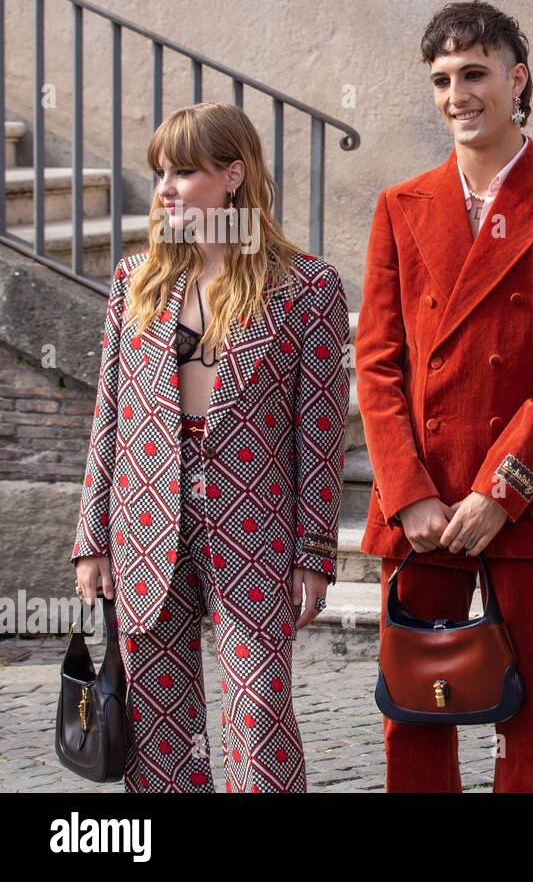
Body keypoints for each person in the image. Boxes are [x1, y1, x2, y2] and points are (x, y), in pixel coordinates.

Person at [355, 0, 533, 793]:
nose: (456, 95)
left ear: (517, 79)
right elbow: (377, 362)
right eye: (441, 79)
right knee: (414, 714)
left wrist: (504, 491)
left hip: (526, 496)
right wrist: (407, 493)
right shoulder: (401, 205)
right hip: (423, 504)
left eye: (474, 74)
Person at [69, 101, 350, 792]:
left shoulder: (307, 287)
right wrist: (91, 540)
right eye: (160, 172)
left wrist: (314, 552)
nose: (166, 188)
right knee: (157, 726)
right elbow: (110, 416)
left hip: (254, 528)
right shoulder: (136, 280)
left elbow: (320, 436)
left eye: (184, 172)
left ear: (233, 175)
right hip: (142, 522)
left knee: (259, 718)